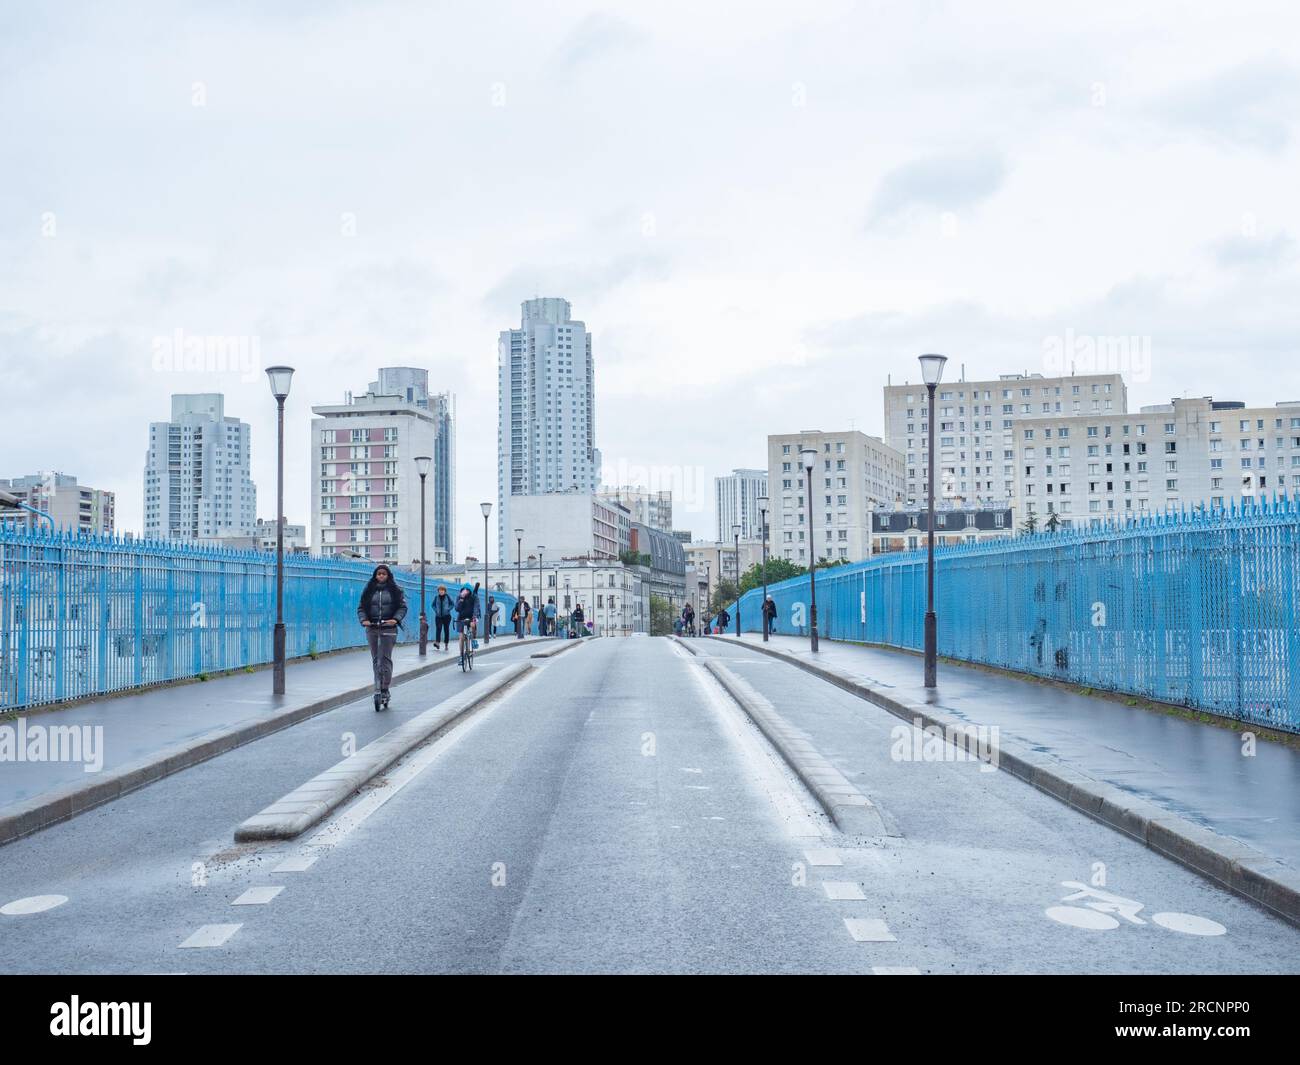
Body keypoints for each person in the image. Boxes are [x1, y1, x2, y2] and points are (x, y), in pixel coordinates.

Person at [357, 564, 407, 711]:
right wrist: (364, 620)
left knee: (385, 659)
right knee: (375, 659)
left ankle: (385, 688)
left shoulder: (395, 590)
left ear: (388, 575)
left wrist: (395, 619)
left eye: (383, 574)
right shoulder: (369, 590)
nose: (381, 576)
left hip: (388, 627)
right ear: (375, 575)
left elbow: (402, 607)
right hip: (372, 627)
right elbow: (361, 608)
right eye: (378, 574)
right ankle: (377, 687)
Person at [455, 582, 481, 662]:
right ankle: (461, 655)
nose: (465, 591)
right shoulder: (459, 597)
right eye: (464, 590)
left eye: (467, 590)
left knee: (473, 626)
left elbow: (476, 607)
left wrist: (474, 617)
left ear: (470, 590)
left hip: (471, 617)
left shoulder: (474, 597)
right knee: (461, 637)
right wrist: (461, 600)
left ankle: (473, 639)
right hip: (461, 618)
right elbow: (457, 609)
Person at [431, 584, 453, 651]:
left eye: (442, 590)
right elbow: (433, 605)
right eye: (440, 590)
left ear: (445, 591)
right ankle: (437, 643)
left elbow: (452, 604)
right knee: (438, 629)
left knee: (446, 630)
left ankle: (446, 644)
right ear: (438, 591)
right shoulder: (436, 597)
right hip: (438, 616)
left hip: (447, 616)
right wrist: (436, 610)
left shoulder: (447, 597)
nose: (441, 591)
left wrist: (448, 609)